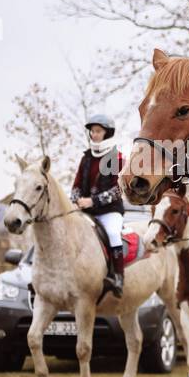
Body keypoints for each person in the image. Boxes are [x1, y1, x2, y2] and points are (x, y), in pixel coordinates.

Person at [71, 114, 126, 297]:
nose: (94, 134)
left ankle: (118, 276)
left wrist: (93, 201)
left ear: (107, 133)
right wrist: (76, 199)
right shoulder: (86, 157)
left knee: (113, 233)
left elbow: (117, 190)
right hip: (87, 211)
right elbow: (76, 184)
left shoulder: (117, 157)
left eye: (98, 131)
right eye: (92, 131)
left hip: (110, 211)